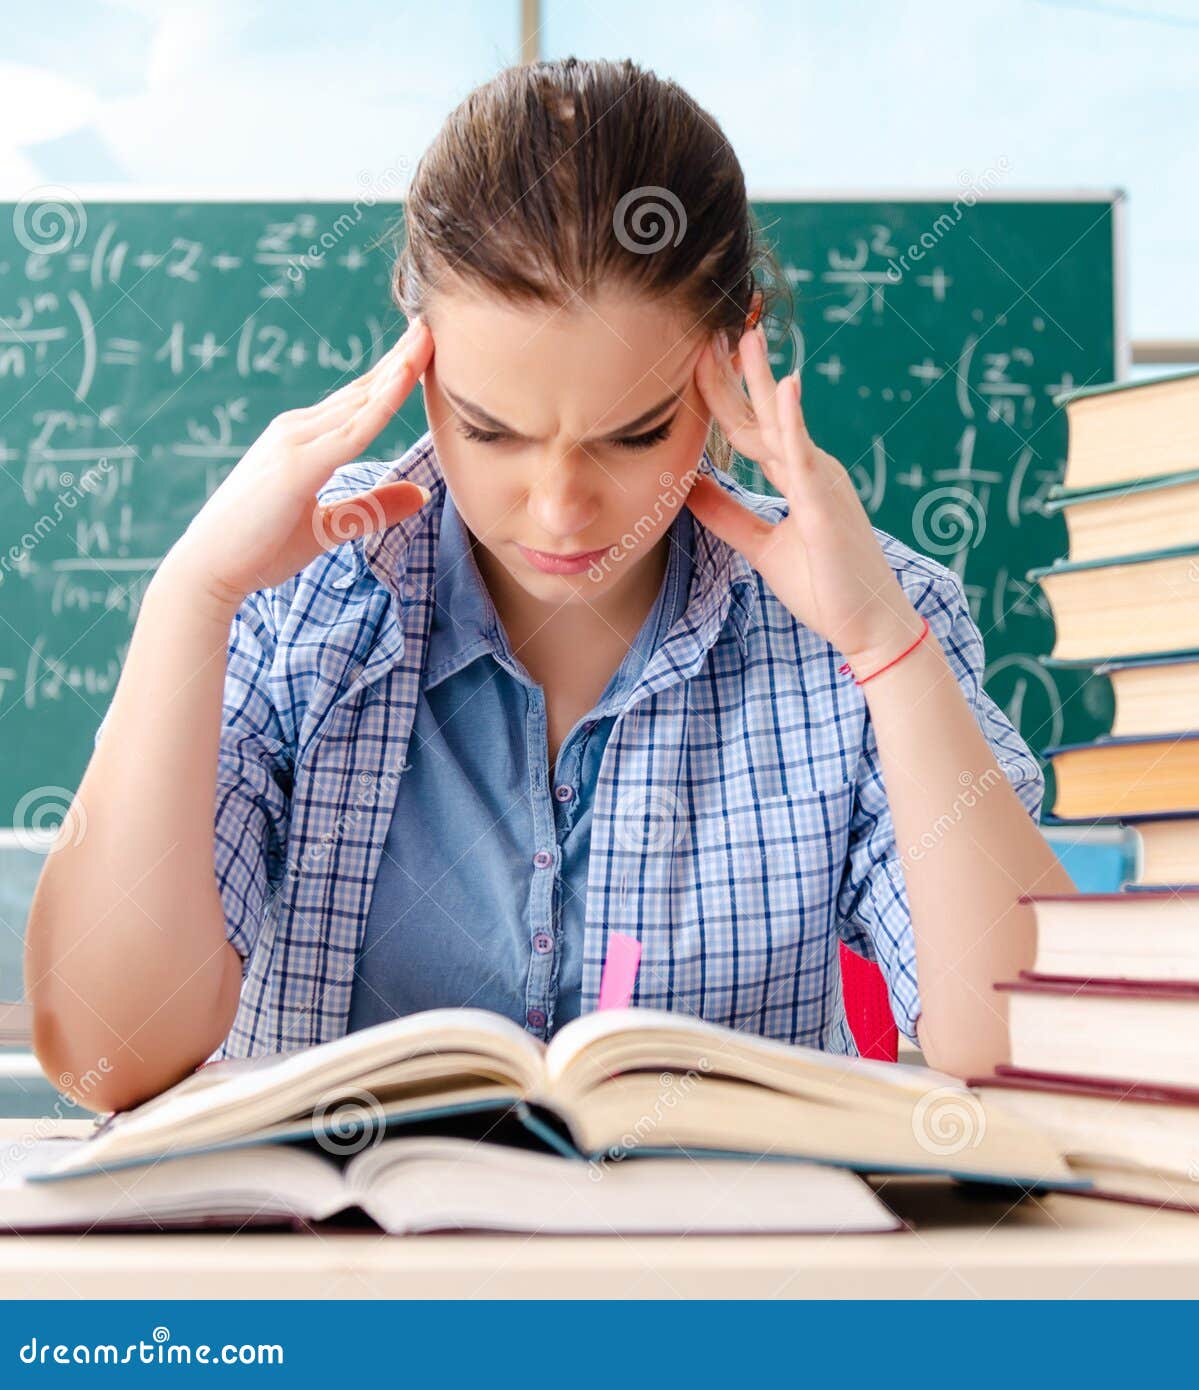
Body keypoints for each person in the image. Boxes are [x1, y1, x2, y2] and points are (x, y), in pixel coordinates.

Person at [26, 57, 1073, 1113]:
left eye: (633, 433)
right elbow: (111, 1054)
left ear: (730, 351)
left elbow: (1035, 1049)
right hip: (338, 1274)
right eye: (491, 431)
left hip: (732, 1274)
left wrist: (886, 647)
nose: (561, 508)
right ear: (419, 361)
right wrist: (190, 599)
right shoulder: (297, 597)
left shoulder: (870, 618)